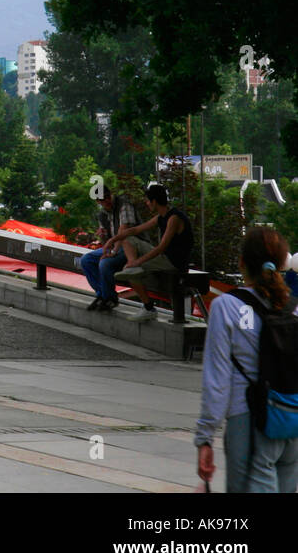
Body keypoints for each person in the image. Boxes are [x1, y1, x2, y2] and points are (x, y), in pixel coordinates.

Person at [195, 227, 298, 493]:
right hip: (291, 418)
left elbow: (217, 380)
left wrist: (205, 437)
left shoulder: (226, 306)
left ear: (242, 263)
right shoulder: (294, 307)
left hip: (248, 418)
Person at [114, 183, 194, 322]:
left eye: (147, 200)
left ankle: (148, 308)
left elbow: (161, 247)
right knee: (128, 238)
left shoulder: (173, 218)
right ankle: (132, 266)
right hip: (164, 257)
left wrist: (137, 262)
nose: (146, 203)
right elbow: (135, 230)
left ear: (154, 201)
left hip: (173, 262)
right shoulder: (161, 217)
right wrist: (113, 240)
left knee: (133, 272)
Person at [78, 184, 140, 312]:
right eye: (101, 200)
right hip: (114, 246)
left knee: (105, 263)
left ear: (110, 194)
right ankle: (102, 295)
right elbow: (106, 241)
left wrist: (113, 251)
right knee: (86, 260)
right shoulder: (103, 214)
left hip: (131, 247)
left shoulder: (124, 205)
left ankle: (109, 298)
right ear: (97, 201)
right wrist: (102, 236)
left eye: (106, 197)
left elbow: (124, 232)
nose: (105, 201)